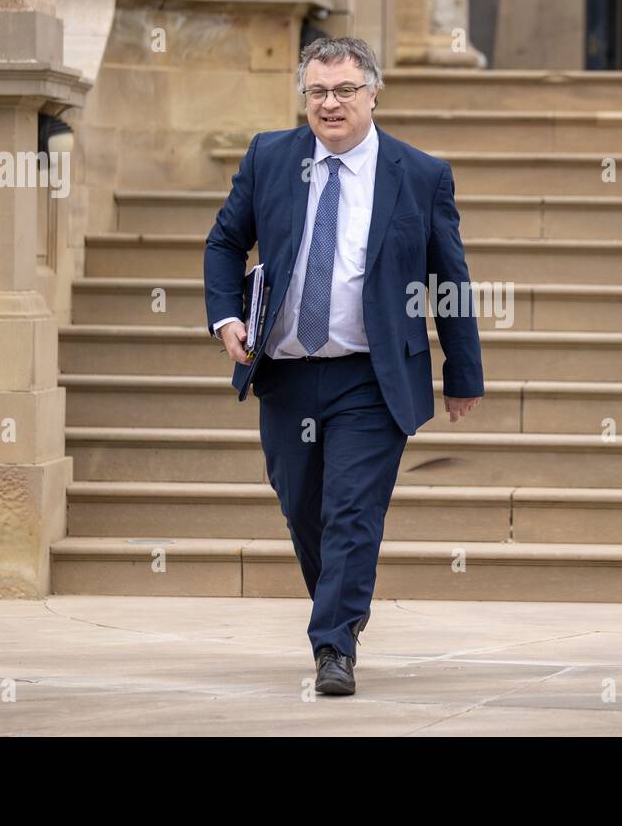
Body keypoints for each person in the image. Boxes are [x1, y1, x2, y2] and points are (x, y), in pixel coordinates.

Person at [203, 37, 483, 696]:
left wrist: (463, 372)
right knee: (303, 508)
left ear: (373, 94)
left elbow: (450, 279)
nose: (330, 104)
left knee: (352, 511)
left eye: (344, 91)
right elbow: (224, 242)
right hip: (288, 370)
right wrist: (226, 317)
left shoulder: (418, 174)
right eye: (318, 92)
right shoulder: (270, 158)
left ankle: (333, 643)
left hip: (371, 375)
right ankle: (343, 612)